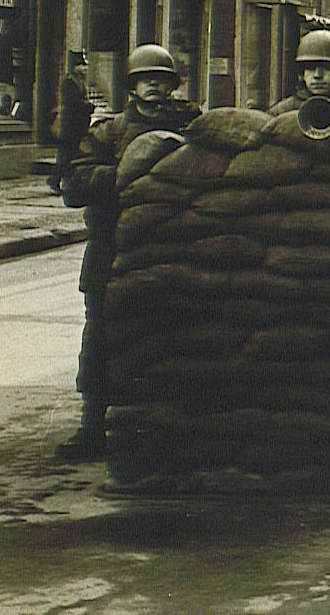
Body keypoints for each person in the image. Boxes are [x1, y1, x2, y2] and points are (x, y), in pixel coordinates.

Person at [57, 44, 201, 460]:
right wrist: (127, 173)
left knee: (176, 341)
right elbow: (74, 185)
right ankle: (92, 427)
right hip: (114, 251)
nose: (154, 87)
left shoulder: (193, 128)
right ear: (132, 86)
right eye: (145, 79)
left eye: (162, 79)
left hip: (175, 250)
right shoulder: (109, 133)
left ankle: (172, 429)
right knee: (101, 341)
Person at [48, 52, 94, 194]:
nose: (84, 68)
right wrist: (88, 105)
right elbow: (71, 103)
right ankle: (54, 179)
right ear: (75, 67)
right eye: (81, 65)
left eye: (84, 65)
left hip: (76, 125)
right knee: (65, 156)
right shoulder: (69, 81)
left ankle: (65, 181)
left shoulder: (79, 81)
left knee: (72, 155)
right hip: (68, 126)